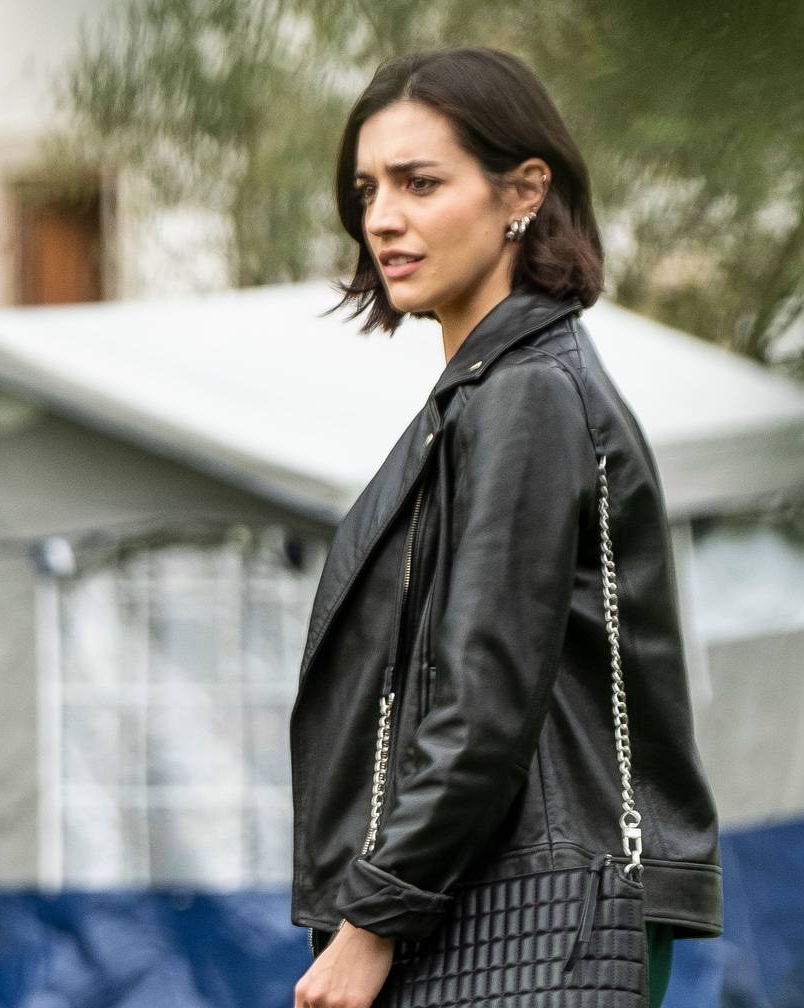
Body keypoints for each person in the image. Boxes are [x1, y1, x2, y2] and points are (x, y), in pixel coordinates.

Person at [288, 49, 721, 1008]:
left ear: (524, 190)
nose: (382, 217)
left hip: (527, 916)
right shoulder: (491, 395)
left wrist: (373, 921)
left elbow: (481, 700)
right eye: (367, 188)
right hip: (500, 904)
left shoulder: (525, 396)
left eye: (420, 182)